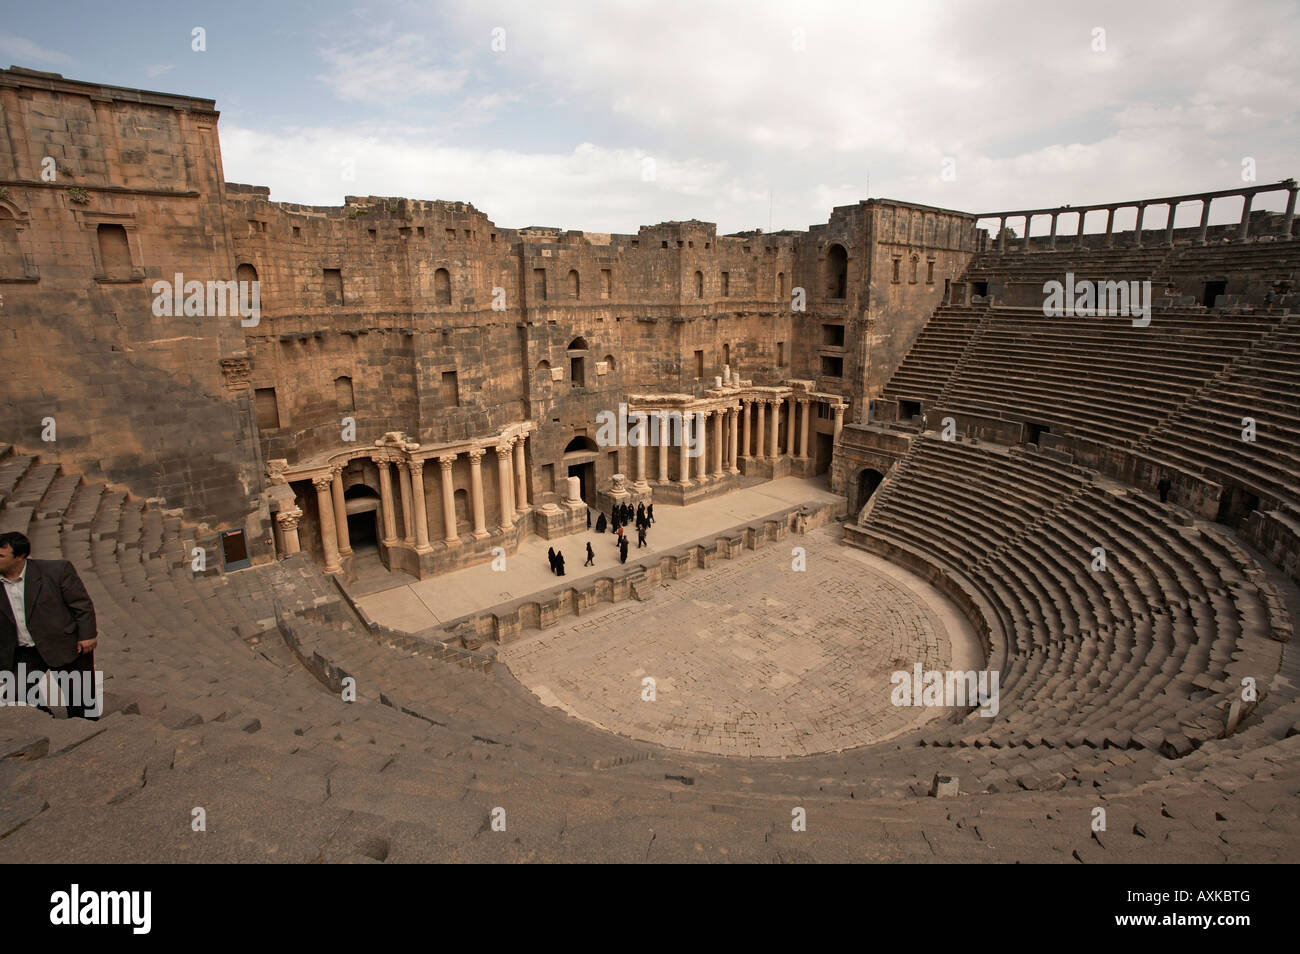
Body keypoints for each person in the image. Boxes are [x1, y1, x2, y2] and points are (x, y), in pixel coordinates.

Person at [0, 531, 100, 720]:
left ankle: (89, 733)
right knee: (16, 694)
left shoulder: (56, 571)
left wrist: (87, 635)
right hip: (25, 650)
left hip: (65, 644)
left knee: (80, 700)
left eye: (1, 556)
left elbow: (81, 604)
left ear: (20, 556)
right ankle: (47, 721)